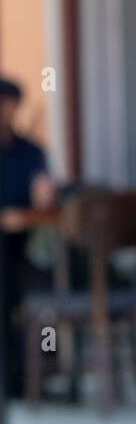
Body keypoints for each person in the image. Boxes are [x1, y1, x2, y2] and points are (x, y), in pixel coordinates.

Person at [0, 76, 57, 398]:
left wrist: (44, 197)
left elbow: (42, 200)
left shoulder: (29, 152)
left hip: (24, 249)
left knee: (42, 286)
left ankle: (30, 377)